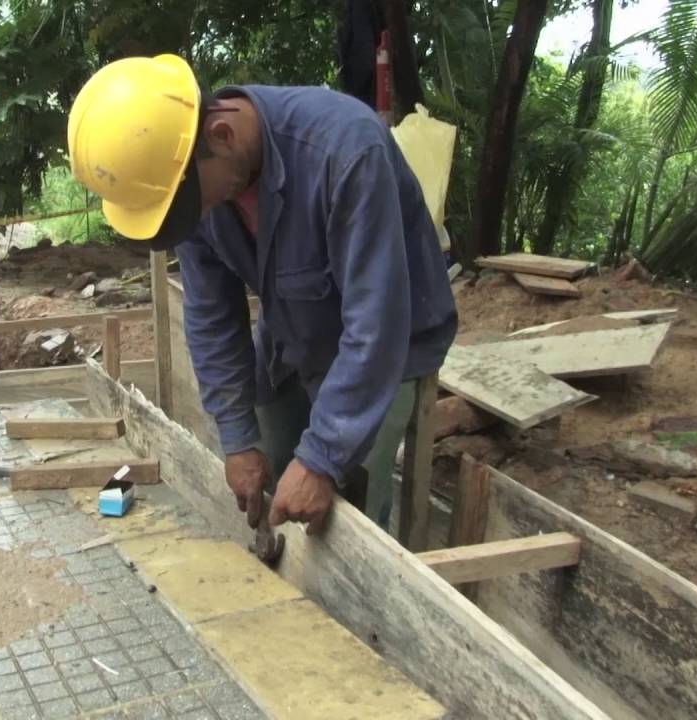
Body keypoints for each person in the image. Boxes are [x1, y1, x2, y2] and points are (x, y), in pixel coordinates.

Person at [67, 56, 457, 535]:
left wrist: (321, 460)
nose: (198, 217)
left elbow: (376, 324)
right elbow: (212, 317)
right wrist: (236, 438)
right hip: (292, 335)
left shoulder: (346, 151)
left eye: (194, 205)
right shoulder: (185, 182)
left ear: (222, 137)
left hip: (390, 347)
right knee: (272, 481)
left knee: (345, 517)